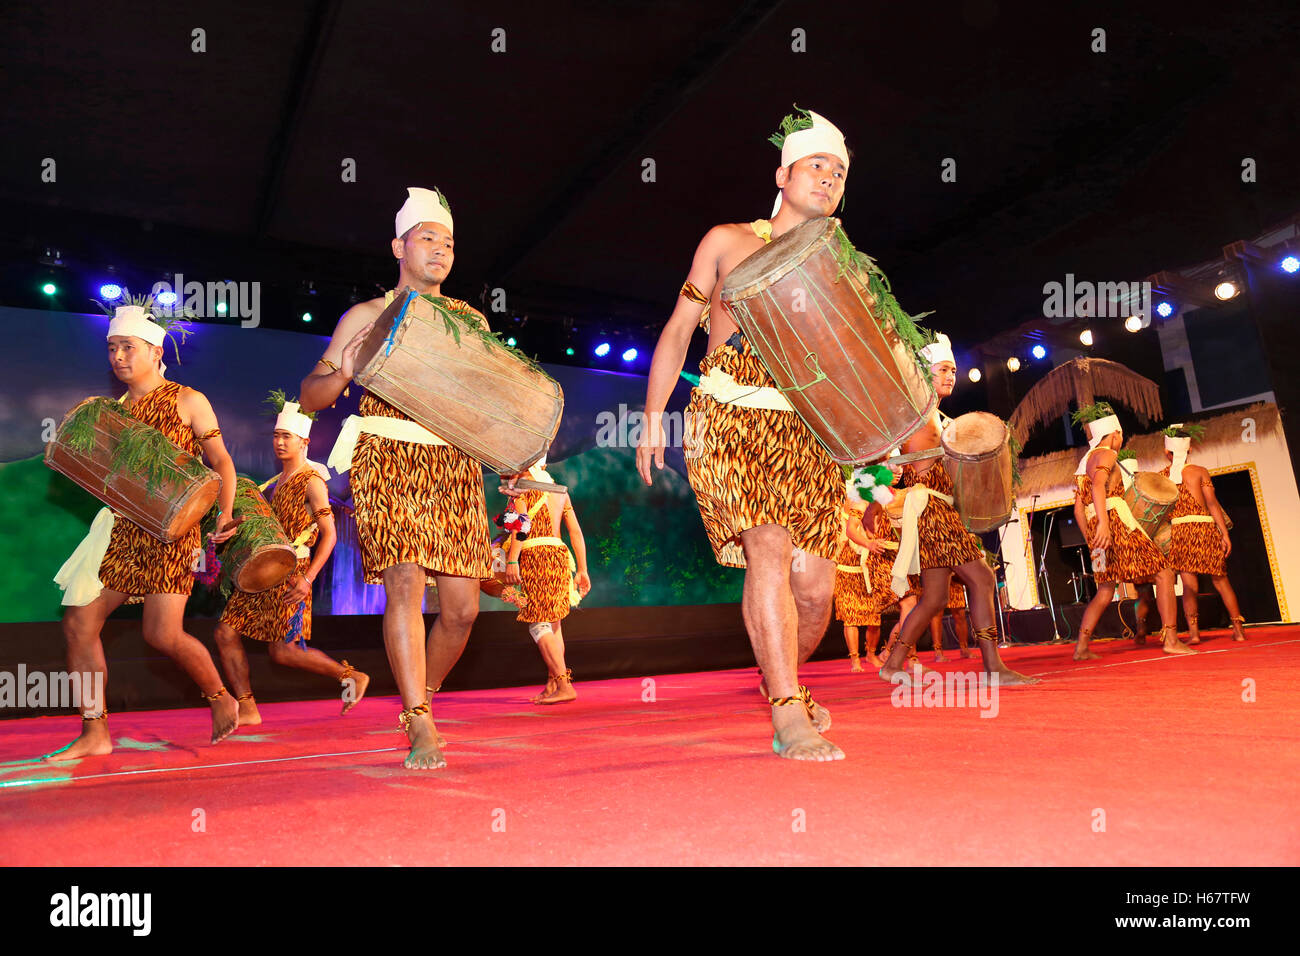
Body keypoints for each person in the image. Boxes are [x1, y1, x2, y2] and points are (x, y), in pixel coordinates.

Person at [637, 109, 850, 760]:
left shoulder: (836, 262)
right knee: (769, 547)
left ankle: (778, 675)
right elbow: (679, 327)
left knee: (815, 590)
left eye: (839, 172)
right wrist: (652, 418)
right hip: (731, 410)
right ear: (782, 174)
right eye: (817, 165)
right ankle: (787, 712)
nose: (829, 178)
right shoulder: (727, 241)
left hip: (807, 427)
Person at [300, 187, 494, 770]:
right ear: (398, 246)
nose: (440, 249)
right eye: (427, 238)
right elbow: (313, 395)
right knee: (405, 583)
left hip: (454, 464)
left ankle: (420, 698)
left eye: (449, 242)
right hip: (388, 456)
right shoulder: (366, 314)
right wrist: (343, 365)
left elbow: (488, 403)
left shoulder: (470, 321)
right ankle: (419, 720)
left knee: (461, 609)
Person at [47, 304, 240, 760]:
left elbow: (222, 462)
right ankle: (95, 733)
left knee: (162, 634)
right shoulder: (111, 411)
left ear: (155, 350)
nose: (118, 357)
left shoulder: (187, 400)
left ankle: (220, 696)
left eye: (128, 347)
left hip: (174, 531)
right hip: (119, 529)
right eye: (112, 348)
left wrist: (226, 512)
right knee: (78, 623)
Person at [868, 334, 1037, 685]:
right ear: (924, 373)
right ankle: (993, 668)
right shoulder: (915, 412)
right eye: (943, 369)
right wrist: (877, 499)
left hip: (937, 508)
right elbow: (880, 459)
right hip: (932, 510)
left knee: (934, 598)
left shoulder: (935, 415)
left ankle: (893, 663)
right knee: (982, 578)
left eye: (953, 370)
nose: (950, 376)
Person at [212, 394, 369, 723]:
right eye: (276, 436)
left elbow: (330, 534)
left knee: (283, 651)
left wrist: (308, 579)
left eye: (287, 437)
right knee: (227, 634)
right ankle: (248, 706)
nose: (280, 442)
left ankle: (350, 676)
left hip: (292, 573)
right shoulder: (274, 482)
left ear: (304, 442)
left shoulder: (311, 481)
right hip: (264, 568)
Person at [1070, 404, 1194, 659]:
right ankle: (1171, 639)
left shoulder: (1084, 464)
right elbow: (1099, 487)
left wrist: (1092, 539)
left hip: (1098, 531)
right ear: (1114, 433)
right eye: (1121, 435)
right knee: (1163, 573)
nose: (1121, 440)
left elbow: (1078, 510)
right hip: (1115, 522)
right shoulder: (1106, 454)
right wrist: (1105, 525)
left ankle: (1081, 647)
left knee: (1104, 590)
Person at [502, 458, 592, 703]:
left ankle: (564, 685)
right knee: (553, 624)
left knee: (538, 624)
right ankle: (553, 683)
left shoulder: (522, 487)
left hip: (536, 555)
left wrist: (512, 560)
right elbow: (575, 532)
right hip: (559, 555)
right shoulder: (559, 490)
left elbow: (521, 525)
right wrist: (582, 569)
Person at [1159, 423, 1247, 643]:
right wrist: (1224, 533)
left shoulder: (1161, 477)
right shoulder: (1199, 472)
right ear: (1189, 449)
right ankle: (1238, 629)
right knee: (1221, 581)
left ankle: (1194, 633)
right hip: (1204, 529)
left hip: (1180, 532)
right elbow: (1212, 503)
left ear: (1166, 452)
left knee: (1189, 586)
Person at [832, 499, 873, 671]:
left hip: (866, 572)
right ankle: (855, 659)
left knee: (873, 616)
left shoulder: (867, 511)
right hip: (844, 572)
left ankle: (871, 654)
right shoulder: (836, 517)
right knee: (850, 617)